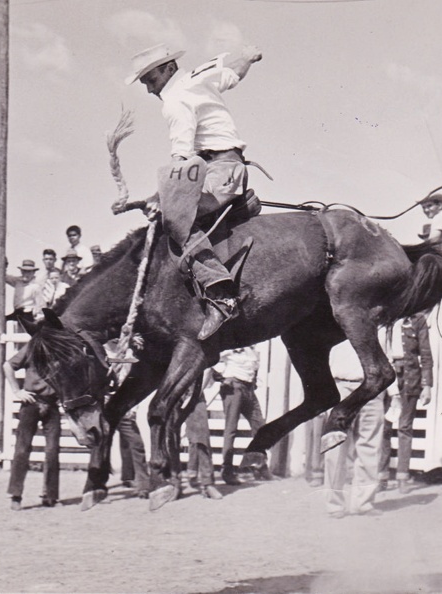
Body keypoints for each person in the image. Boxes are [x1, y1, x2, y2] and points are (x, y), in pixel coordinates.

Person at [126, 43, 262, 340]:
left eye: (151, 80)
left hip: (219, 171)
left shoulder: (174, 100)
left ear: (169, 68)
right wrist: (249, 55)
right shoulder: (198, 78)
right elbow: (234, 73)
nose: (149, 90)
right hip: (228, 168)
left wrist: (161, 198)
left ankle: (222, 296)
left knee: (176, 221)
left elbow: (182, 158)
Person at [324, 341, 385, 518]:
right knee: (335, 446)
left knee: (370, 446)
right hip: (341, 387)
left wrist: (393, 393)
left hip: (372, 388)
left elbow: (386, 354)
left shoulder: (381, 318)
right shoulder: (332, 318)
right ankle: (334, 504)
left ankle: (363, 503)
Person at [3, 333, 62, 510]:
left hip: (52, 403)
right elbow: (8, 365)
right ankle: (16, 495)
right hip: (31, 402)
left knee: (52, 450)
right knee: (22, 448)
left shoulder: (62, 350)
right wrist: (17, 390)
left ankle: (50, 495)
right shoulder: (32, 346)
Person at [378, 312, 433, 494]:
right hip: (385, 376)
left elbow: (425, 355)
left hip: (410, 377)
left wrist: (427, 385)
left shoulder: (417, 320)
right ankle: (381, 476)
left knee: (405, 427)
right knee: (383, 427)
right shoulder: (383, 317)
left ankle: (402, 475)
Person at [211, 345, 270, 485]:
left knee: (260, 427)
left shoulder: (253, 348)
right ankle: (227, 470)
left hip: (248, 389)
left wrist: (254, 380)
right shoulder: (230, 345)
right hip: (234, 386)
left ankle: (258, 465)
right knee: (231, 429)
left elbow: (254, 366)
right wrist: (220, 377)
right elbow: (209, 360)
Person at [117, 407, 150, 499]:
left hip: (123, 413)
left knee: (137, 444)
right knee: (100, 446)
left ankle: (143, 487)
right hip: (103, 411)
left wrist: (132, 409)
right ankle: (96, 489)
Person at [5, 259, 45, 323]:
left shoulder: (36, 286)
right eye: (24, 271)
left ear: (33, 272)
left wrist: (38, 318)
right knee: (2, 321)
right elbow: (4, 276)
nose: (26, 274)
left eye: (29, 272)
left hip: (28, 314)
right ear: (21, 271)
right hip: (17, 312)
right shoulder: (17, 281)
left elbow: (40, 304)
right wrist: (4, 265)